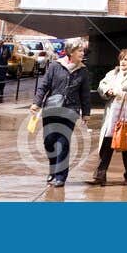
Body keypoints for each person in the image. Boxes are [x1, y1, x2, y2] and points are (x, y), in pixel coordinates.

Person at [30, 36, 91, 187]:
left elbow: (85, 93)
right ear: (70, 52)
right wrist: (36, 103)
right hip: (51, 109)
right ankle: (53, 169)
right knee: (49, 142)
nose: (82, 53)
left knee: (63, 142)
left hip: (70, 110)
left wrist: (86, 112)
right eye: (79, 50)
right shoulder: (55, 66)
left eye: (83, 50)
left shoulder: (83, 70)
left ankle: (60, 176)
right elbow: (43, 86)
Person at [93, 48, 127, 186]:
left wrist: (125, 91)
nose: (122, 61)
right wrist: (108, 90)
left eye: (126, 59)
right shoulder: (113, 73)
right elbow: (102, 85)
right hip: (112, 115)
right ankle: (100, 175)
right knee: (107, 143)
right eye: (121, 58)